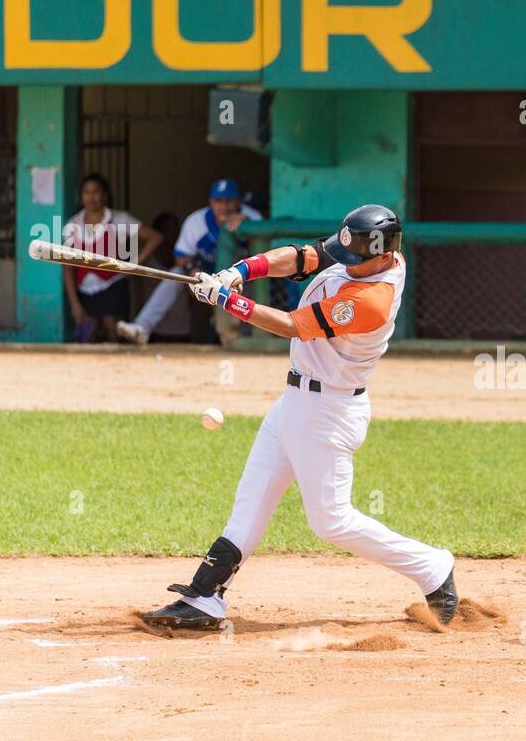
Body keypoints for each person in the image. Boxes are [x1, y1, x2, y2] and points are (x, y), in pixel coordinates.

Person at [140, 204, 458, 630]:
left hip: (328, 412)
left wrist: (227, 300)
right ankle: (204, 598)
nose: (345, 263)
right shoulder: (363, 252)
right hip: (296, 401)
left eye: (356, 260)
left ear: (383, 257)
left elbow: (292, 324)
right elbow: (303, 257)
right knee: (251, 499)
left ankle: (432, 567)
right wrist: (239, 272)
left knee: (331, 521)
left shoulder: (372, 300)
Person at [116, 179, 261, 344]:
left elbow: (262, 258)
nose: (224, 206)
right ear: (211, 202)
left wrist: (246, 227)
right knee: (176, 274)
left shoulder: (252, 218)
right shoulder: (197, 221)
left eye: (229, 201)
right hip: (205, 277)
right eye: (218, 201)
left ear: (238, 202)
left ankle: (253, 338)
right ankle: (141, 327)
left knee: (257, 285)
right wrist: (194, 271)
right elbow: (181, 256)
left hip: (240, 282)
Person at [61, 173, 161, 343]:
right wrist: (74, 303)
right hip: (84, 290)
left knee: (113, 331)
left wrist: (135, 263)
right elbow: (68, 266)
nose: (92, 197)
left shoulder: (120, 219)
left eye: (96, 191)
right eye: (86, 192)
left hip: (113, 285)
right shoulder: (73, 224)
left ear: (105, 194)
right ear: (81, 196)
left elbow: (155, 237)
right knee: (88, 336)